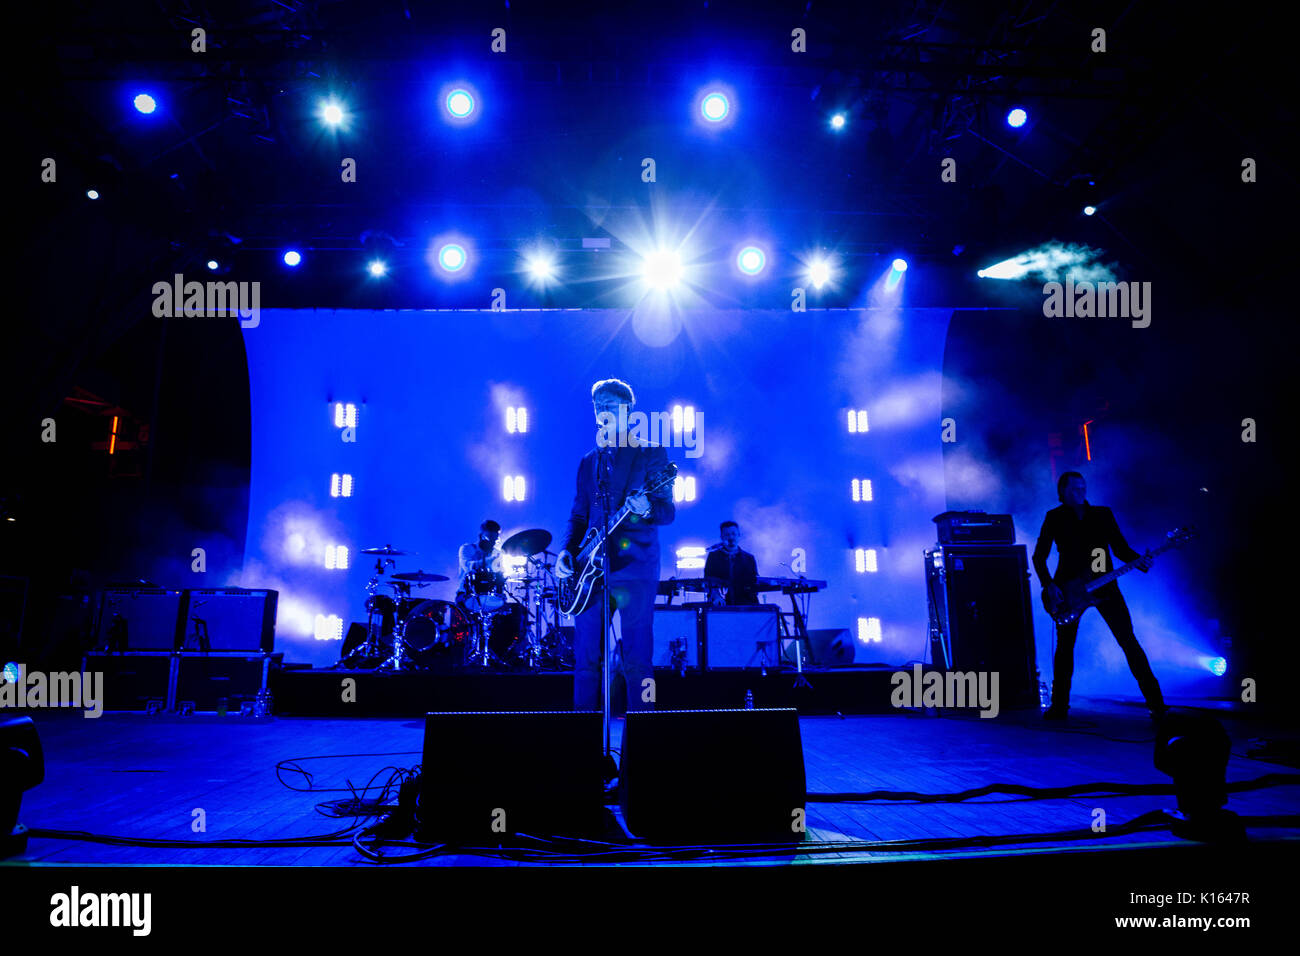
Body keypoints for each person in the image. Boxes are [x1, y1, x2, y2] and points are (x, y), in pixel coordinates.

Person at [556, 378, 675, 712]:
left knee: (639, 659)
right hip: (589, 572)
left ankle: (646, 738)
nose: (602, 411)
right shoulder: (588, 461)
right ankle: (583, 742)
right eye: (598, 405)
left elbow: (667, 512)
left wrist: (647, 508)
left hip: (636, 569)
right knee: (585, 661)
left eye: (609, 405)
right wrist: (567, 550)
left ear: (628, 411)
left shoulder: (651, 452)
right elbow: (578, 515)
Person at [1032, 472, 1167, 720]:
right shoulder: (1054, 517)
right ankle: (1059, 705)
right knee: (1065, 649)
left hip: (1105, 585)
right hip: (1068, 590)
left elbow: (1120, 548)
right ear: (1062, 492)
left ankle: (1157, 705)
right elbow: (1038, 556)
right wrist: (1049, 585)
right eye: (1074, 489)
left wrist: (1139, 561)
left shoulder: (1102, 514)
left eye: (1083, 487)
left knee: (1128, 641)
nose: (1080, 492)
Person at [703, 520, 759, 606]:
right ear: (721, 537)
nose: (731, 537)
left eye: (733, 534)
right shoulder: (713, 556)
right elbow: (709, 581)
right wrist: (716, 596)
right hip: (720, 605)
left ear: (739, 536)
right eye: (727, 534)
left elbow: (755, 581)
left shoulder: (749, 558)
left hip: (747, 604)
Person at [457, 519, 503, 604]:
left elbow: (499, 575)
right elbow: (469, 567)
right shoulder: (467, 548)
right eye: (491, 539)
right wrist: (492, 559)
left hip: (490, 595)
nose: (493, 543)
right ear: (482, 536)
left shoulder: (496, 553)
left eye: (495, 540)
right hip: (466, 594)